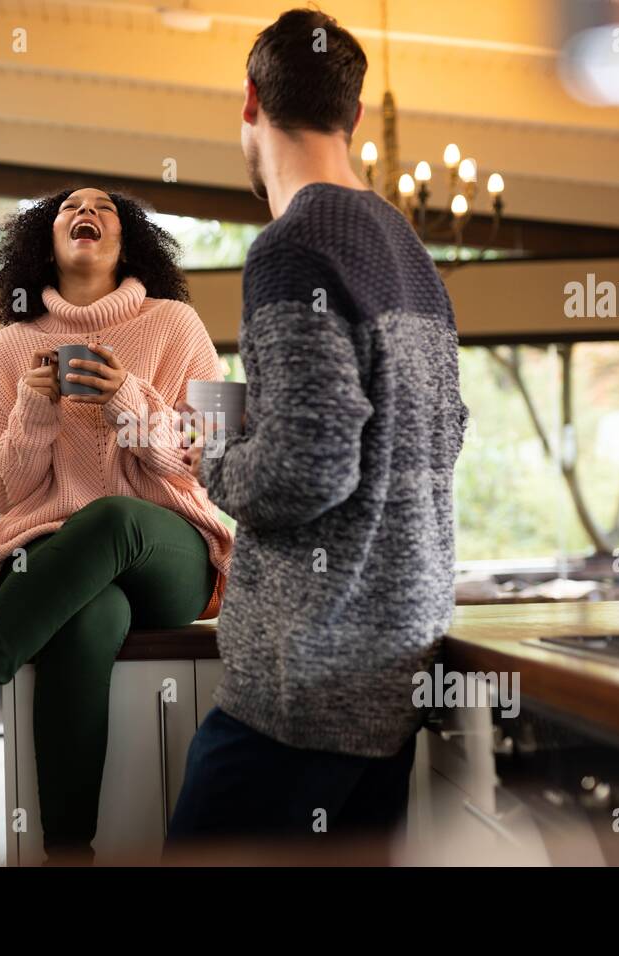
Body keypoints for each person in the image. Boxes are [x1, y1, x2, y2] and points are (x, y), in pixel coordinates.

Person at [168, 9, 468, 849]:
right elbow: (440, 431)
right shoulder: (409, 251)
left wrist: (216, 454)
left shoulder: (290, 247)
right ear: (356, 116)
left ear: (250, 101)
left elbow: (309, 468)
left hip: (300, 696)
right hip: (389, 679)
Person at [0, 186, 233, 864]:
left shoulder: (177, 326)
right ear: (45, 241)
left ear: (126, 240)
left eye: (104, 209)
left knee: (110, 519)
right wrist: (34, 414)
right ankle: (67, 851)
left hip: (167, 552)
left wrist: (127, 404)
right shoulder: (8, 348)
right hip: (58, 563)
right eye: (70, 208)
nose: (86, 214)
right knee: (90, 616)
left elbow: (213, 462)